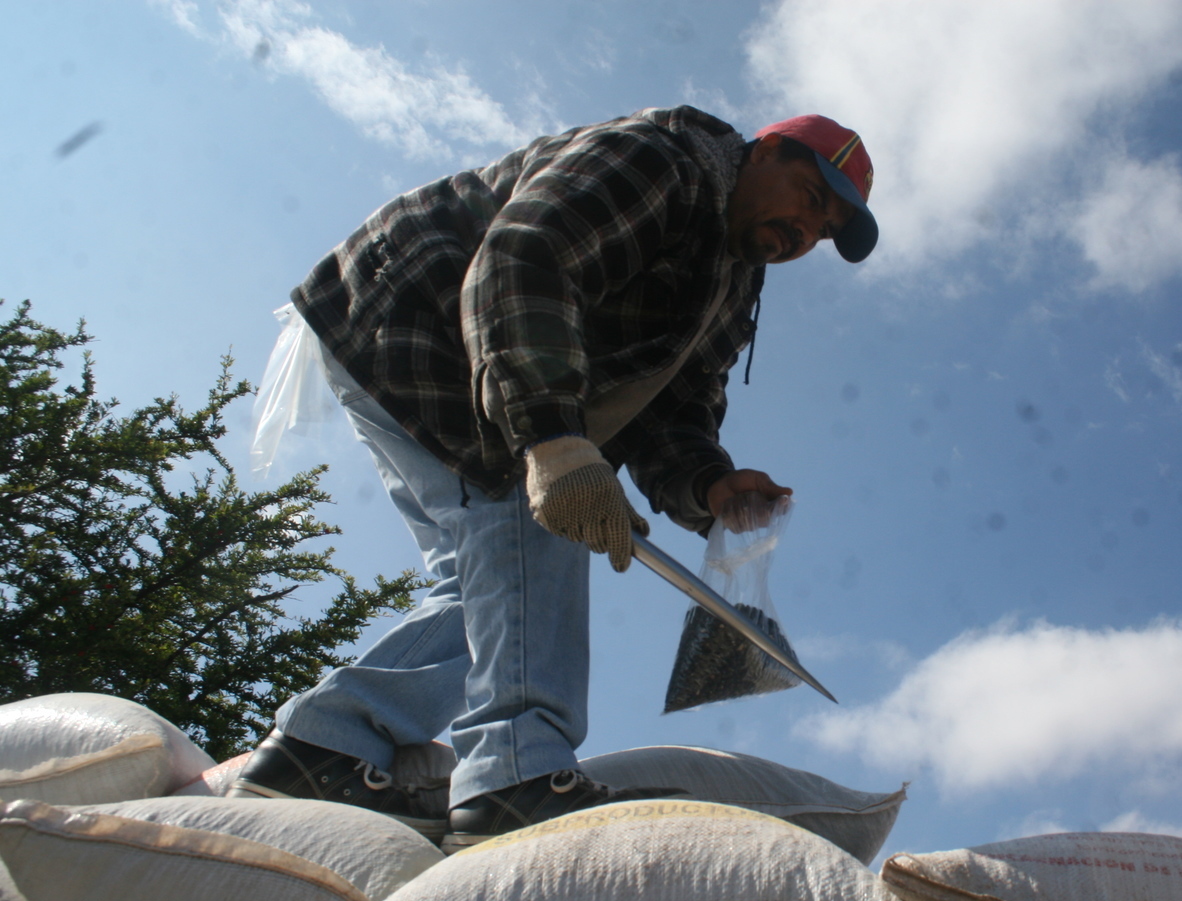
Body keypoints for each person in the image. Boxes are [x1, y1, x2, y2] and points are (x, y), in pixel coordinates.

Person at [230, 106, 877, 852]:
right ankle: (511, 777)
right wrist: (555, 443)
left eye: (824, 228)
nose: (807, 229)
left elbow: (674, 411)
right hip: (417, 308)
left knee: (486, 586)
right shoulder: (664, 162)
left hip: (450, 348)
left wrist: (708, 486)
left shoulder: (731, 290)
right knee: (535, 523)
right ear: (764, 151)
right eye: (808, 194)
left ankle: (319, 751)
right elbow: (522, 258)